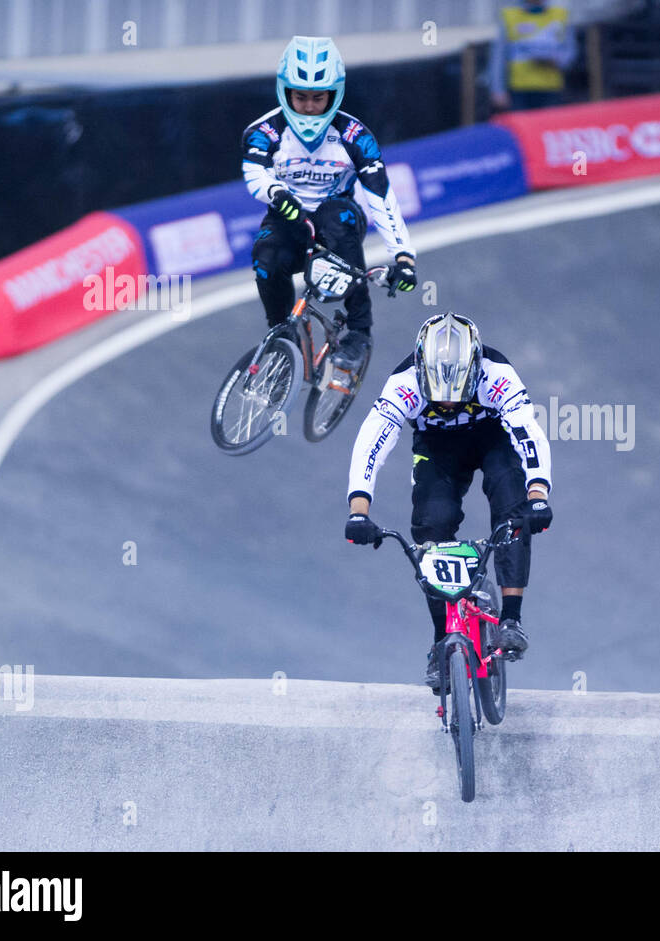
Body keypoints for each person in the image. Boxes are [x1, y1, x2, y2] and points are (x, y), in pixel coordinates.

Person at [344, 313, 554, 691]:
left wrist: (538, 494)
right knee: (431, 525)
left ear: (474, 372)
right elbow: (372, 441)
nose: (447, 404)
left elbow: (527, 432)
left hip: (494, 439)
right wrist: (359, 509)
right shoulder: (403, 383)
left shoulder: (497, 373)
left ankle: (510, 620)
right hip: (439, 449)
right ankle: (441, 639)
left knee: (513, 511)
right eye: (438, 397)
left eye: (456, 395)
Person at [241, 35, 417, 372]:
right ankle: (282, 342)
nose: (308, 106)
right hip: (286, 217)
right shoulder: (262, 131)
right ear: (285, 91)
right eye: (300, 97)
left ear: (333, 95)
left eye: (318, 98)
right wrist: (277, 193)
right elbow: (255, 173)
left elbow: (381, 199)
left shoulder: (356, 138)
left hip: (338, 214)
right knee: (265, 260)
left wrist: (403, 256)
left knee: (337, 219)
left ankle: (360, 332)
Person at [489, 1, 578, 112]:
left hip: (551, 89)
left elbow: (570, 52)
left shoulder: (561, 14)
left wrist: (558, 61)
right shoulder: (509, 15)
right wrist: (498, 90)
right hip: (518, 90)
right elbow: (498, 57)